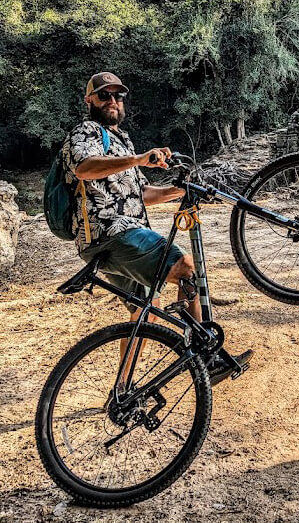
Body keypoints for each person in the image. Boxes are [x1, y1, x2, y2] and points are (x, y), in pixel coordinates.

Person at [62, 71, 251, 384]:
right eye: (104, 95)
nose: (112, 101)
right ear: (89, 100)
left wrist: (182, 191)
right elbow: (84, 169)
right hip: (110, 232)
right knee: (185, 266)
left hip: (120, 237)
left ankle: (121, 391)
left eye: (117, 95)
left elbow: (143, 195)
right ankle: (206, 359)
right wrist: (138, 159)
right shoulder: (86, 131)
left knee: (146, 314)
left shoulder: (122, 141)